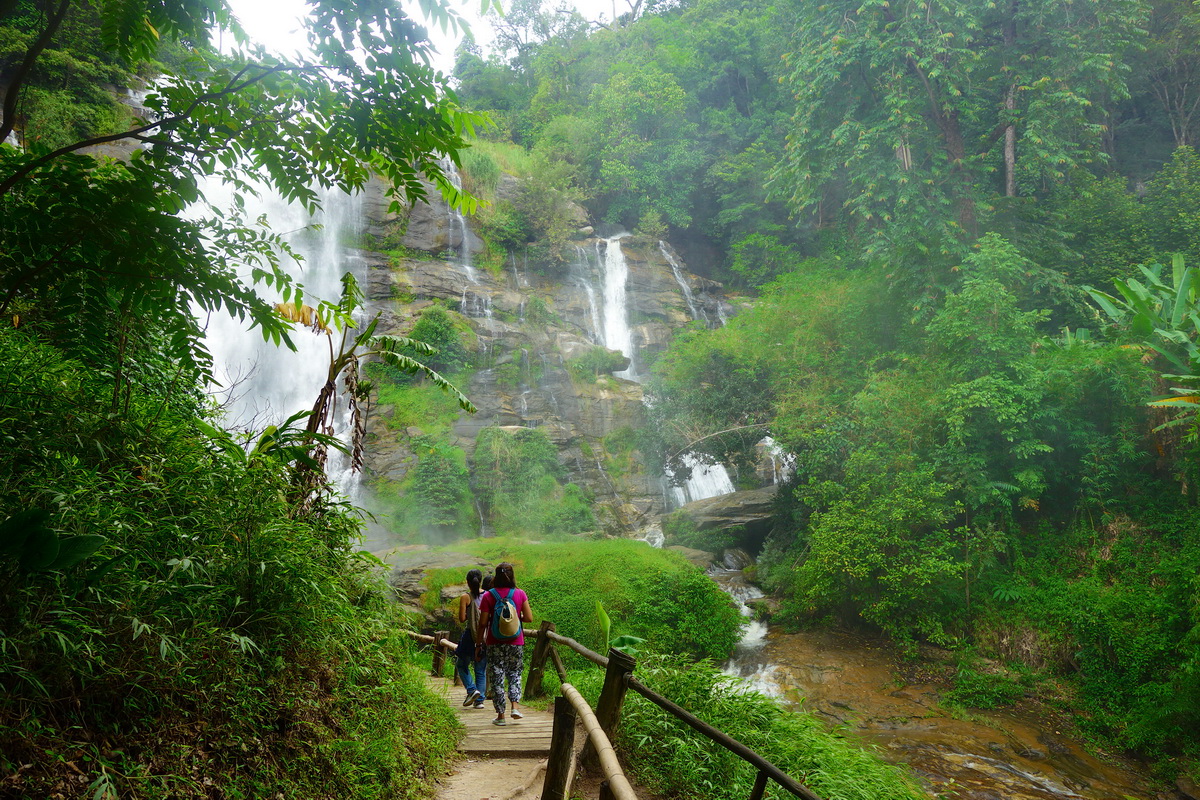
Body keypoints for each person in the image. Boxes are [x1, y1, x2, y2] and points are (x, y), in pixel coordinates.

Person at [476, 562, 532, 726]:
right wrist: (513, 618)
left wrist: (479, 644)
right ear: (512, 575)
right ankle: (515, 707)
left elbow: (483, 623)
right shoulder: (520, 594)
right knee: (515, 673)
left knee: (497, 675)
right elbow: (529, 618)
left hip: (494, 642)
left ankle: (500, 716)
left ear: (496, 577)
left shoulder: (488, 596)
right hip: (516, 642)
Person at [455, 569, 487, 709]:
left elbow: (462, 619)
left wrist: (471, 616)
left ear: (468, 582)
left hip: (469, 636)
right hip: (485, 636)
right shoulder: (488, 595)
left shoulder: (465, 597)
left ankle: (472, 690)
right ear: (480, 580)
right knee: (480, 669)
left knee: (461, 664)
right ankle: (479, 701)